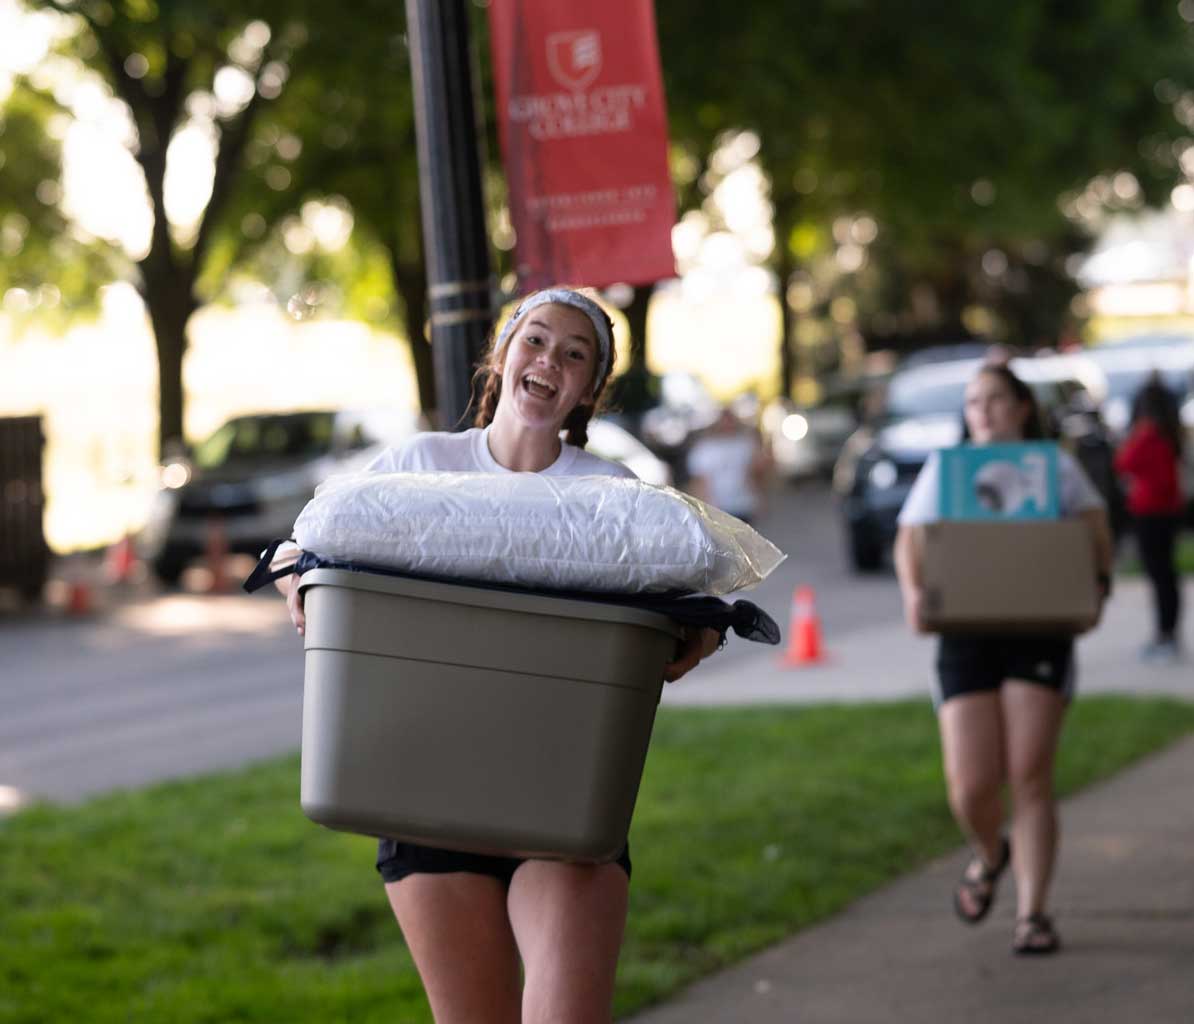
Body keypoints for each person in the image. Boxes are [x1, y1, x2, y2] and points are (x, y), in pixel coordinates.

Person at [280, 286, 720, 1023]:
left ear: (589, 389)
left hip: (564, 803)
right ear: (503, 353)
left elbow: (682, 596)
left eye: (575, 355)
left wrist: (699, 632)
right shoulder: (421, 463)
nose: (550, 361)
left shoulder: (610, 497)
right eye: (536, 340)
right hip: (423, 800)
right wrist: (297, 579)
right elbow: (310, 541)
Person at [893, 362, 1113, 956]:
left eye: (994, 399)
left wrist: (1097, 587)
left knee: (1029, 773)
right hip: (965, 635)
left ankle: (1032, 914)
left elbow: (1096, 530)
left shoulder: (1055, 467)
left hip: (1039, 632)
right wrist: (914, 596)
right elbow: (909, 539)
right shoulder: (948, 468)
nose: (982, 411)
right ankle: (991, 854)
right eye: (973, 402)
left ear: (1021, 407)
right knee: (971, 786)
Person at [1115, 374, 1185, 662]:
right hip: (1167, 512)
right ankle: (1168, 634)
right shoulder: (1171, 434)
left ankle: (1165, 636)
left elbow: (1123, 462)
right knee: (1166, 575)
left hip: (1150, 513)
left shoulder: (1148, 434)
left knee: (1160, 577)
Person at [685, 404, 772, 524]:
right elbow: (700, 481)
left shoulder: (745, 444)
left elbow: (755, 473)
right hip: (717, 507)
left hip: (744, 504)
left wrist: (760, 498)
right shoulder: (705, 448)